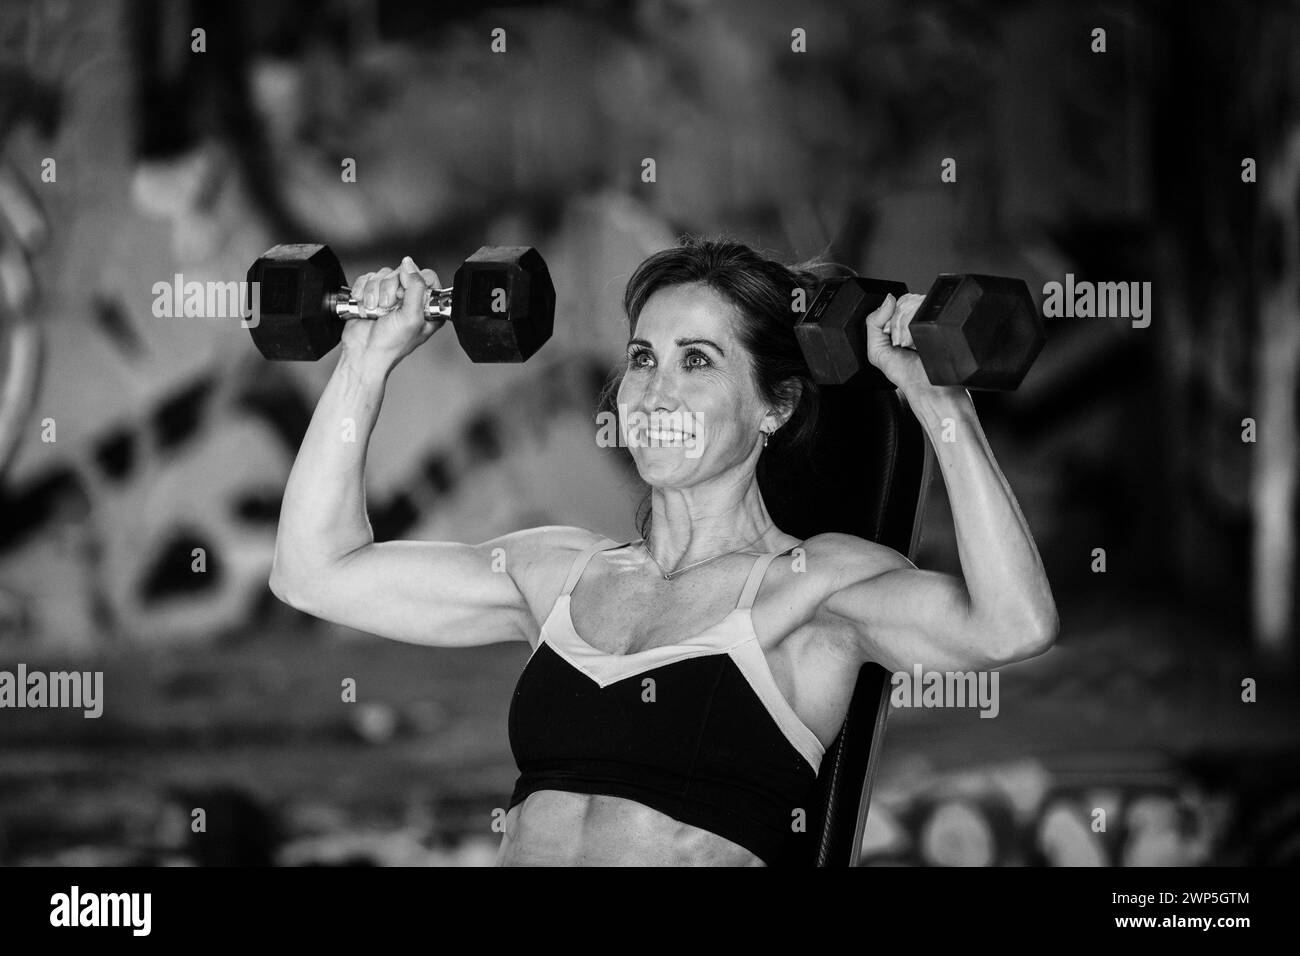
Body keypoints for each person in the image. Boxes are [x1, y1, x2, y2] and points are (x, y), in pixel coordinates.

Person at [268, 237, 1059, 866]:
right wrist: (365, 361)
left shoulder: (813, 589)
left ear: (774, 408)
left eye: (697, 362)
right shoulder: (557, 573)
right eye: (644, 358)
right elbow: (313, 574)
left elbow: (1011, 625)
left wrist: (936, 400)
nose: (654, 393)